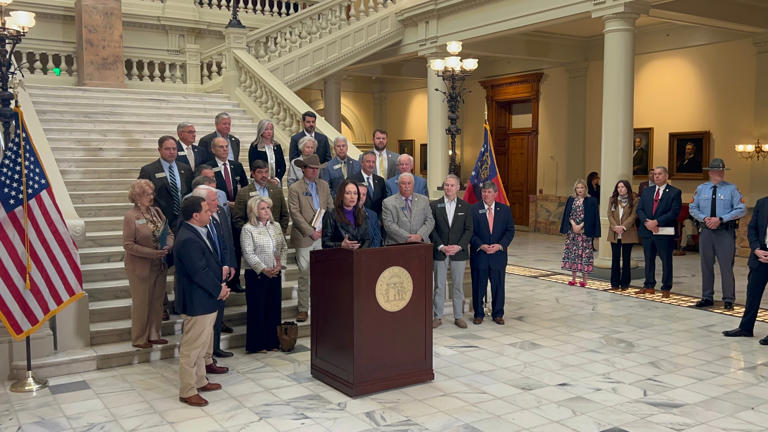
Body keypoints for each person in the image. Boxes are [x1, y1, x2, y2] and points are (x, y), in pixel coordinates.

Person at [174, 196, 230, 407]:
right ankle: (187, 390)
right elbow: (199, 272)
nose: (211, 213)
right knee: (191, 348)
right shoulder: (188, 238)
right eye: (206, 211)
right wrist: (219, 289)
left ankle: (200, 380)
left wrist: (219, 286)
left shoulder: (197, 231)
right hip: (197, 300)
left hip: (206, 298)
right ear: (195, 215)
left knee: (201, 345)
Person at [689, 158, 746, 310]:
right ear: (710, 172)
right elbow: (693, 208)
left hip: (724, 232)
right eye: (716, 171)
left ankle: (728, 299)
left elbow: (741, 209)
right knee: (706, 265)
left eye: (722, 171)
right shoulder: (701, 189)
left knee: (726, 266)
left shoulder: (732, 189)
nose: (720, 173)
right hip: (706, 232)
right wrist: (704, 218)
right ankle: (707, 297)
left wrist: (721, 219)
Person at [123, 180, 173, 349]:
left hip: (159, 264)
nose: (151, 197)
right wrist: (152, 253)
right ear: (137, 197)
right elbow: (128, 245)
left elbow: (169, 233)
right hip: (140, 267)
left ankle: (154, 334)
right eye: (147, 194)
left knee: (157, 301)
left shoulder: (157, 212)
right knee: (142, 303)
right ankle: (139, 338)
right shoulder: (131, 216)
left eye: (152, 193)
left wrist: (168, 246)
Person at [190, 185, 236, 358]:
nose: (218, 202)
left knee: (218, 313)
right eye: (214, 199)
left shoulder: (219, 214)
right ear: (202, 202)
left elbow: (225, 241)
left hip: (221, 273)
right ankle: (205, 356)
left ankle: (215, 348)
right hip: (206, 278)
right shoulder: (192, 225)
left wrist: (229, 264)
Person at [288, 154, 334, 322]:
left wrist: (326, 230)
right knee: (305, 274)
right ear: (303, 169)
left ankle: (320, 306)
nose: (315, 171)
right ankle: (303, 308)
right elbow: (295, 213)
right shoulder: (295, 188)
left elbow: (330, 208)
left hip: (322, 236)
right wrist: (310, 231)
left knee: (321, 274)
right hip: (305, 237)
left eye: (317, 169)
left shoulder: (324, 185)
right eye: (312, 168)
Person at [241, 195, 288, 353]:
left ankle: (273, 342)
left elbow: (284, 247)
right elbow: (248, 253)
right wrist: (263, 269)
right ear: (254, 211)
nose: (267, 211)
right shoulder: (248, 229)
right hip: (257, 275)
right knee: (257, 309)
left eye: (268, 208)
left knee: (274, 308)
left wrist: (280, 265)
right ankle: (257, 345)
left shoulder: (276, 226)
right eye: (262, 208)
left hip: (275, 272)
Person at [722, 196, 768, 345]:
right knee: (752, 294)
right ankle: (746, 328)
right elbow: (752, 228)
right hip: (760, 256)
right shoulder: (762, 202)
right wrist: (756, 249)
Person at [430, 174, 473, 329]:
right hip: (440, 252)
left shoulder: (466, 207)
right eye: (446, 185)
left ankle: (458, 316)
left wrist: (459, 246)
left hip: (458, 253)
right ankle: (437, 316)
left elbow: (469, 230)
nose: (448, 188)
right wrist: (441, 246)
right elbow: (431, 229)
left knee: (458, 286)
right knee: (439, 286)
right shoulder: (434, 205)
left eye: (452, 185)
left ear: (458, 188)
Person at [469, 182, 515, 325]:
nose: (486, 194)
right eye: (484, 192)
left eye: (489, 192)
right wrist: (480, 245)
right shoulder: (473, 209)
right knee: (478, 286)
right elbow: (469, 231)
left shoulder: (505, 210)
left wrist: (500, 245)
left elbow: (510, 231)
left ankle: (498, 314)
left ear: (495, 194)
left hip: (498, 255)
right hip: (480, 255)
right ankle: (478, 314)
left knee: (498, 286)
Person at [636, 166, 682, 297]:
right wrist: (647, 223)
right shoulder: (647, 191)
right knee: (648, 259)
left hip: (664, 232)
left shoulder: (674, 192)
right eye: (655, 174)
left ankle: (666, 287)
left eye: (659, 174)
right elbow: (639, 210)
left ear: (666, 176)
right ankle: (649, 285)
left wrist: (656, 222)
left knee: (666, 260)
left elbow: (674, 212)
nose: (656, 176)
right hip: (648, 231)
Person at [138, 135, 193, 233]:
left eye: (174, 149)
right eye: (167, 149)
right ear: (159, 150)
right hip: (161, 219)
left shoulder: (185, 169)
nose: (172, 152)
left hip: (184, 219)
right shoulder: (148, 171)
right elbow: (142, 196)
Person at [560, 179, 601, 287]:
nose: (580, 190)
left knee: (584, 255)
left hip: (585, 233)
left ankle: (584, 280)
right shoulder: (571, 200)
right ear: (575, 189)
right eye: (578, 188)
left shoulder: (591, 200)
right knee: (573, 254)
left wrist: (581, 225)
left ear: (585, 189)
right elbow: (568, 214)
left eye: (582, 187)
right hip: (573, 233)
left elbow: (592, 217)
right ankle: (573, 279)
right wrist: (573, 225)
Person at [233, 160, 290, 234]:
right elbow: (238, 219)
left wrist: (280, 232)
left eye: (266, 172)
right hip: (253, 237)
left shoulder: (277, 190)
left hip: (275, 235)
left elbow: (284, 215)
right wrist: (250, 234)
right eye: (260, 172)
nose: (264, 175)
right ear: (253, 174)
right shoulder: (243, 193)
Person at [381, 173, 434, 245]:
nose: (407, 186)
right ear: (398, 185)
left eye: (409, 183)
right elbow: (389, 225)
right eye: (403, 183)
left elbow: (430, 220)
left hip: (421, 242)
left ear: (413, 184)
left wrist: (419, 235)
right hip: (397, 244)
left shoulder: (424, 200)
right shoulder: (388, 202)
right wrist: (408, 238)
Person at [607, 180, 638, 290]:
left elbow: (633, 216)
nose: (620, 189)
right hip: (614, 233)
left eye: (622, 187)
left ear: (627, 188)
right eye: (618, 187)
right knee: (615, 259)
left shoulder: (634, 200)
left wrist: (623, 227)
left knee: (626, 259)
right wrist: (615, 226)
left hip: (627, 233)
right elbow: (609, 214)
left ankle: (625, 283)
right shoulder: (613, 200)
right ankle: (614, 283)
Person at [322, 179, 371, 249]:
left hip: (359, 254)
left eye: (355, 193)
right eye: (348, 193)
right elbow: (325, 243)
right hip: (340, 254)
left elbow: (367, 239)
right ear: (341, 195)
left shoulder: (362, 214)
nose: (352, 197)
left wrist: (359, 251)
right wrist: (341, 245)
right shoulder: (331, 214)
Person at [210, 137, 248, 206]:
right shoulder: (209, 167)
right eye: (221, 147)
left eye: (226, 146)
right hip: (219, 206)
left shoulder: (237, 165)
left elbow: (245, 187)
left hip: (237, 205)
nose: (225, 149)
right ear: (213, 150)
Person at [248, 119, 286, 186]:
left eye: (271, 129)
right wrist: (267, 180)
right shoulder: (255, 146)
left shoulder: (277, 146)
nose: (269, 132)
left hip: (276, 182)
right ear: (261, 130)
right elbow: (253, 166)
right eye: (266, 129)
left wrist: (277, 179)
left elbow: (283, 165)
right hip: (260, 181)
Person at [350, 150, 387, 217]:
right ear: (362, 163)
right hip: (358, 218)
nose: (371, 164)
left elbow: (384, 201)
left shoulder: (380, 181)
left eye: (373, 162)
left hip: (377, 219)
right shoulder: (352, 180)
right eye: (368, 161)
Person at [357, 182, 382, 248]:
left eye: (364, 194)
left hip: (371, 251)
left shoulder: (372, 215)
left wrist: (371, 251)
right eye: (358, 194)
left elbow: (377, 237)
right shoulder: (345, 213)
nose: (361, 197)